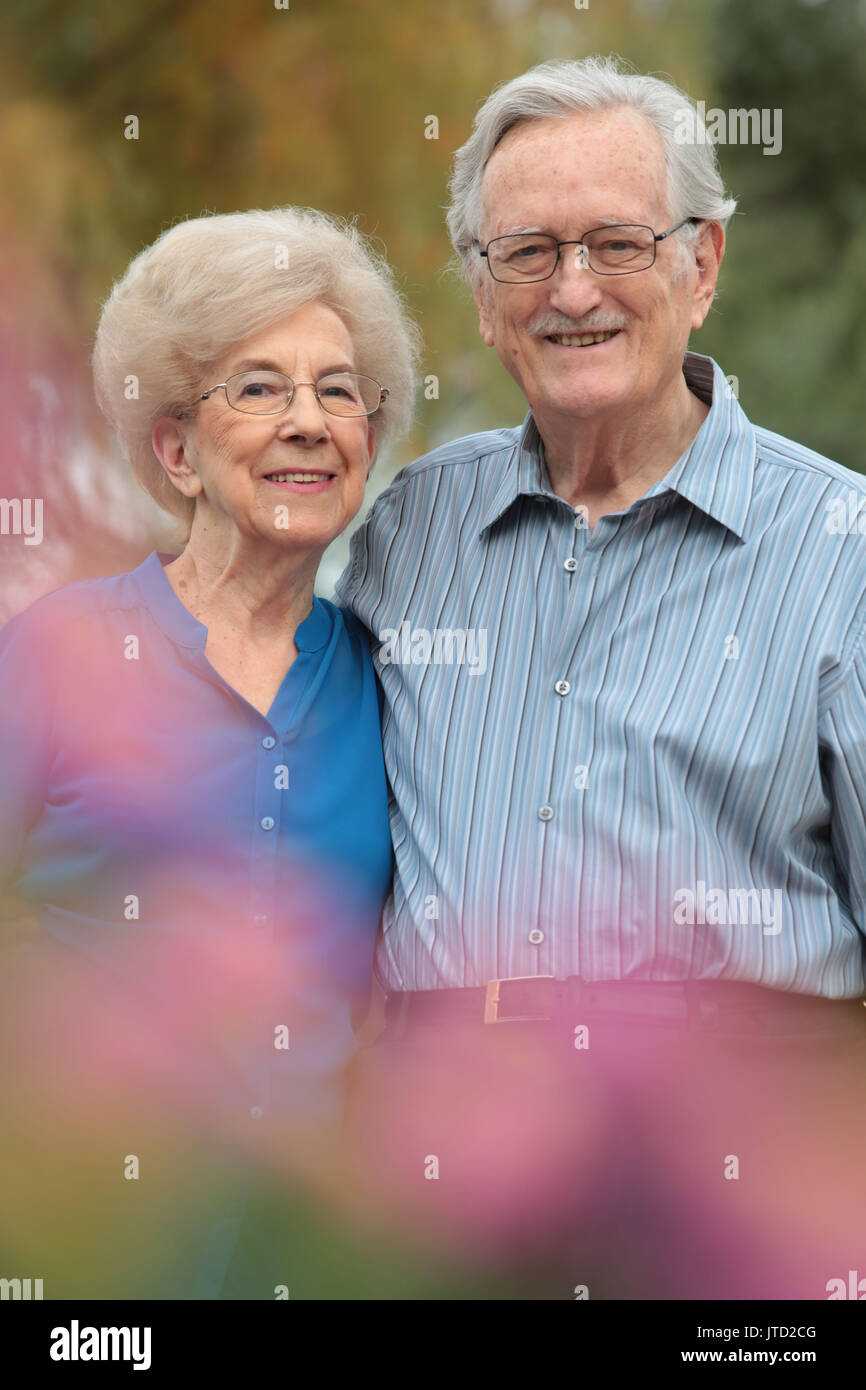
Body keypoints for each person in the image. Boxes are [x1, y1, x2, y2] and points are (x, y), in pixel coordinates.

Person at [336, 57, 866, 1299]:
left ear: (702, 266)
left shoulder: (841, 550)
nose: (571, 289)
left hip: (735, 1187)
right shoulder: (411, 528)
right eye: (525, 252)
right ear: (478, 292)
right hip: (447, 1189)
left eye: (616, 243)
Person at [0, 205, 418, 1299]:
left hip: (304, 1255)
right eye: (258, 387)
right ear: (176, 449)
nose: (308, 422)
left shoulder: (389, 682)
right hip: (87, 1254)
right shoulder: (60, 650)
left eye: (337, 390)